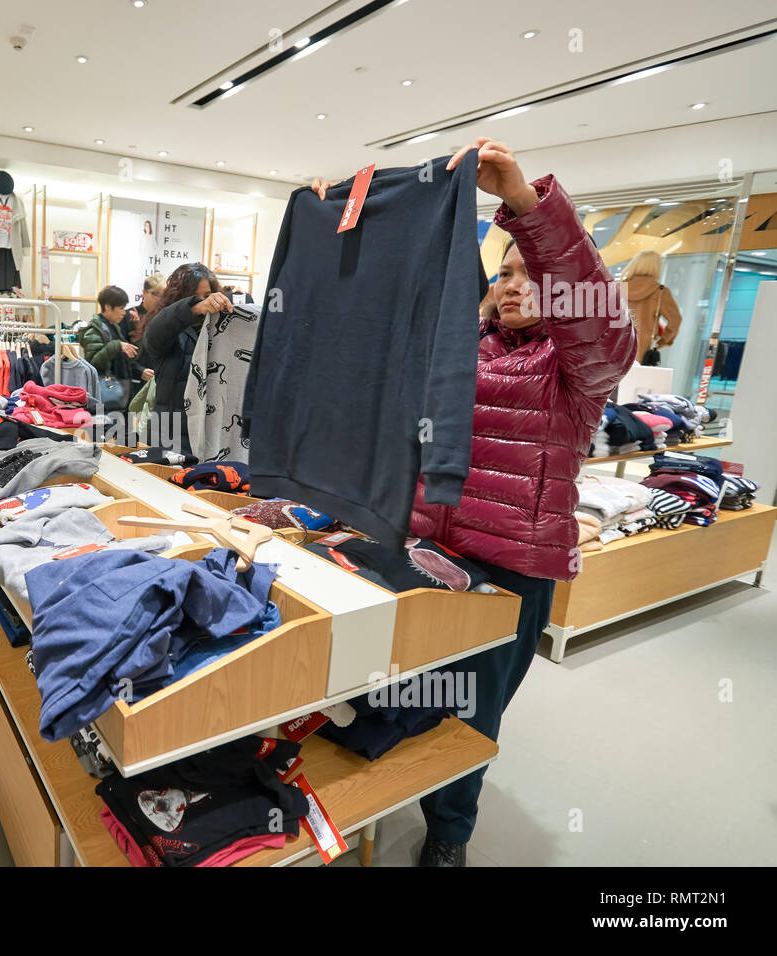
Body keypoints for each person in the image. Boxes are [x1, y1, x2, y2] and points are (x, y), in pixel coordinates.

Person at [311, 138, 636, 866]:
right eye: (508, 272)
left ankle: (450, 832)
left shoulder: (577, 370)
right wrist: (344, 226)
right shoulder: (460, 346)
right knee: (388, 684)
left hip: (511, 570)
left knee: (468, 712)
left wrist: (525, 205)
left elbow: (606, 328)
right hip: (424, 549)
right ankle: (373, 790)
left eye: (533, 273)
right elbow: (381, 315)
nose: (517, 285)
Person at [142, 263, 230, 455]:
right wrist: (193, 308)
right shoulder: (166, 328)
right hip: (171, 435)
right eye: (194, 296)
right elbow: (155, 336)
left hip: (212, 433)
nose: (204, 301)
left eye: (207, 295)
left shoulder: (219, 329)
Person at [78, 285, 153, 405]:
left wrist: (136, 330)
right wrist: (116, 345)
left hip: (119, 392)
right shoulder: (95, 329)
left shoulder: (114, 326)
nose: (124, 312)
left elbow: (127, 357)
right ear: (107, 307)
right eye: (121, 308)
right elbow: (93, 363)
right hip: (106, 395)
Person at [622, 250, 682, 364]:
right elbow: (675, 320)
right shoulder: (660, 291)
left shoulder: (617, 287)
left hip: (615, 347)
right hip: (642, 350)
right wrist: (662, 342)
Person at [125, 272, 166, 344]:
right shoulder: (128, 315)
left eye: (164, 295)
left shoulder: (166, 316)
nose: (160, 299)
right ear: (144, 293)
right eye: (155, 294)